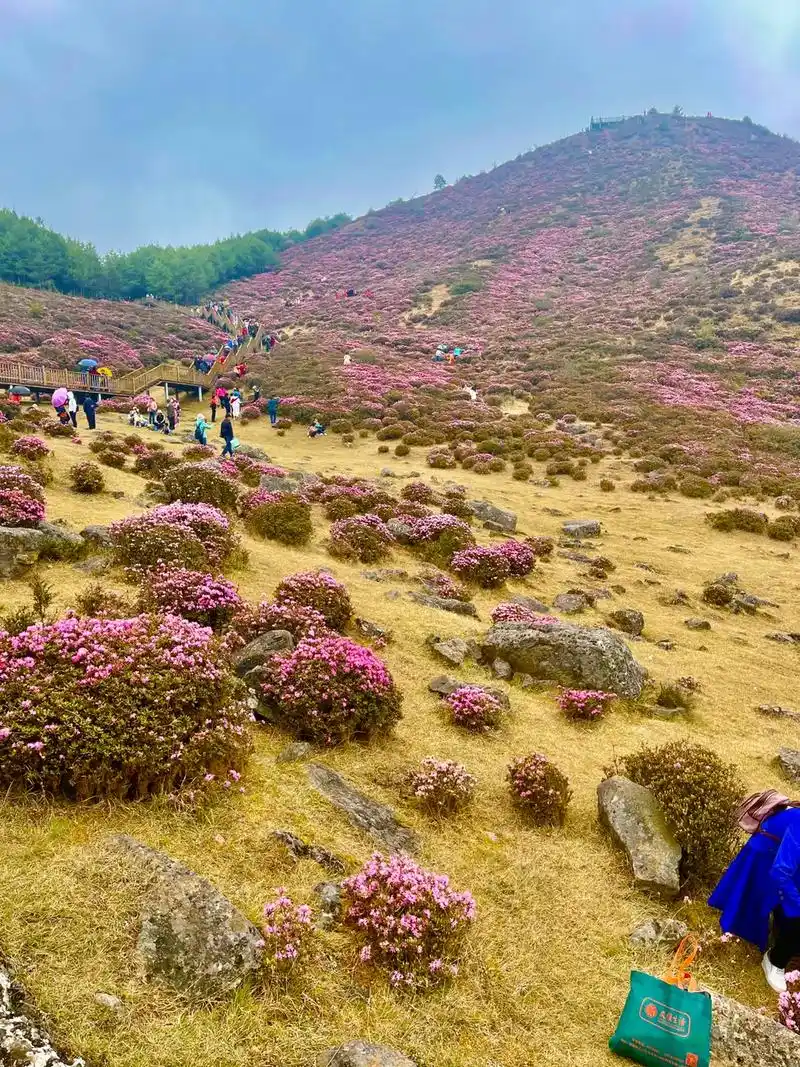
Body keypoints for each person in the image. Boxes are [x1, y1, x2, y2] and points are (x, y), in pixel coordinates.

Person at [709, 799, 800, 992]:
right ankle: (775, 961)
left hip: (786, 859)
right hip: (765, 857)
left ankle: (787, 931)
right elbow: (781, 872)